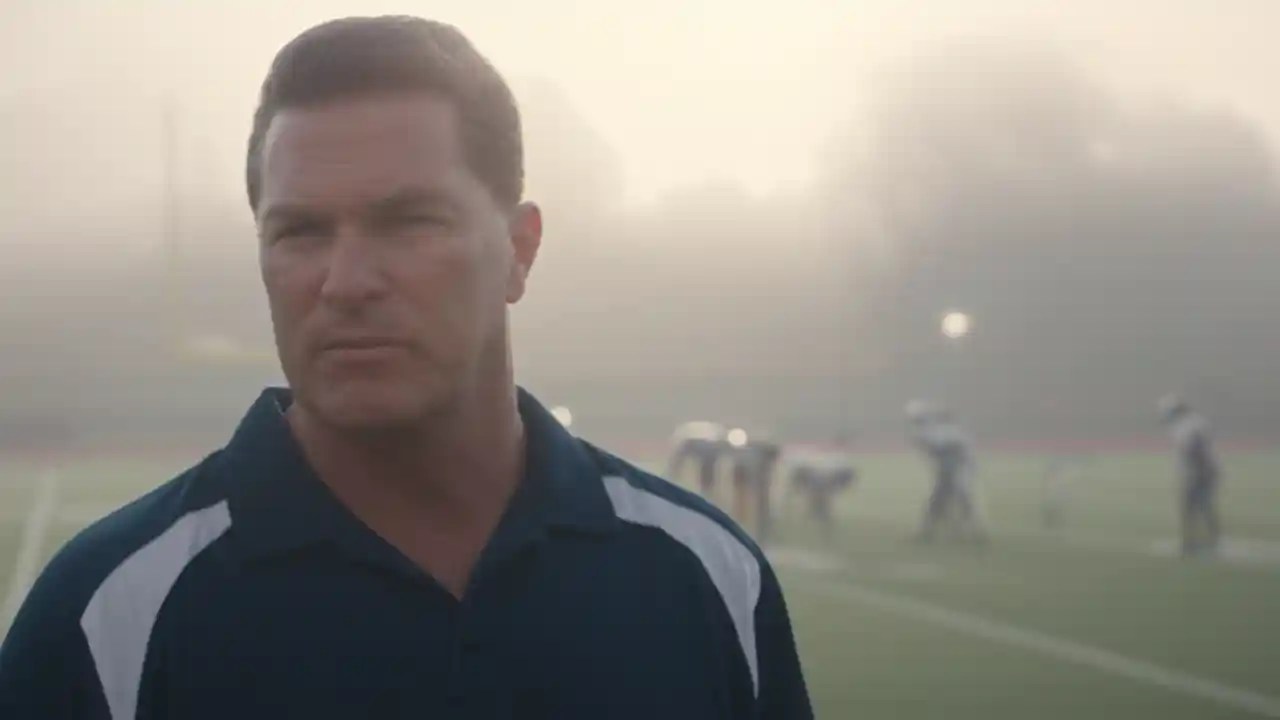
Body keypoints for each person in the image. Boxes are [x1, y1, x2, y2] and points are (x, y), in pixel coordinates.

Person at [0, 17, 811, 719]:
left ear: (519, 251)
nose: (346, 282)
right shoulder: (105, 616)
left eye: (409, 223)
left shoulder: (708, 576)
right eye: (300, 233)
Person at [905, 400, 984, 543]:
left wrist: (946, 467)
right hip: (951, 468)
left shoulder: (938, 431)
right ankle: (932, 530)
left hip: (958, 467)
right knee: (942, 499)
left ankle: (972, 530)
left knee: (959, 497)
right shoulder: (932, 431)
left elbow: (951, 449)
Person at [1159, 395, 1222, 557]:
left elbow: (1193, 448)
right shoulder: (1193, 422)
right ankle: (1210, 539)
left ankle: (1192, 541)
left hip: (1199, 471)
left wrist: (1195, 472)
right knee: (1202, 506)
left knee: (1192, 506)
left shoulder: (1188, 425)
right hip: (1203, 470)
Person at [667, 420, 729, 498]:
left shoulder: (715, 436)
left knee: (707, 469)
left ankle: (706, 491)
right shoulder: (688, 435)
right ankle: (671, 480)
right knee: (676, 466)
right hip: (695, 443)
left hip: (705, 446)